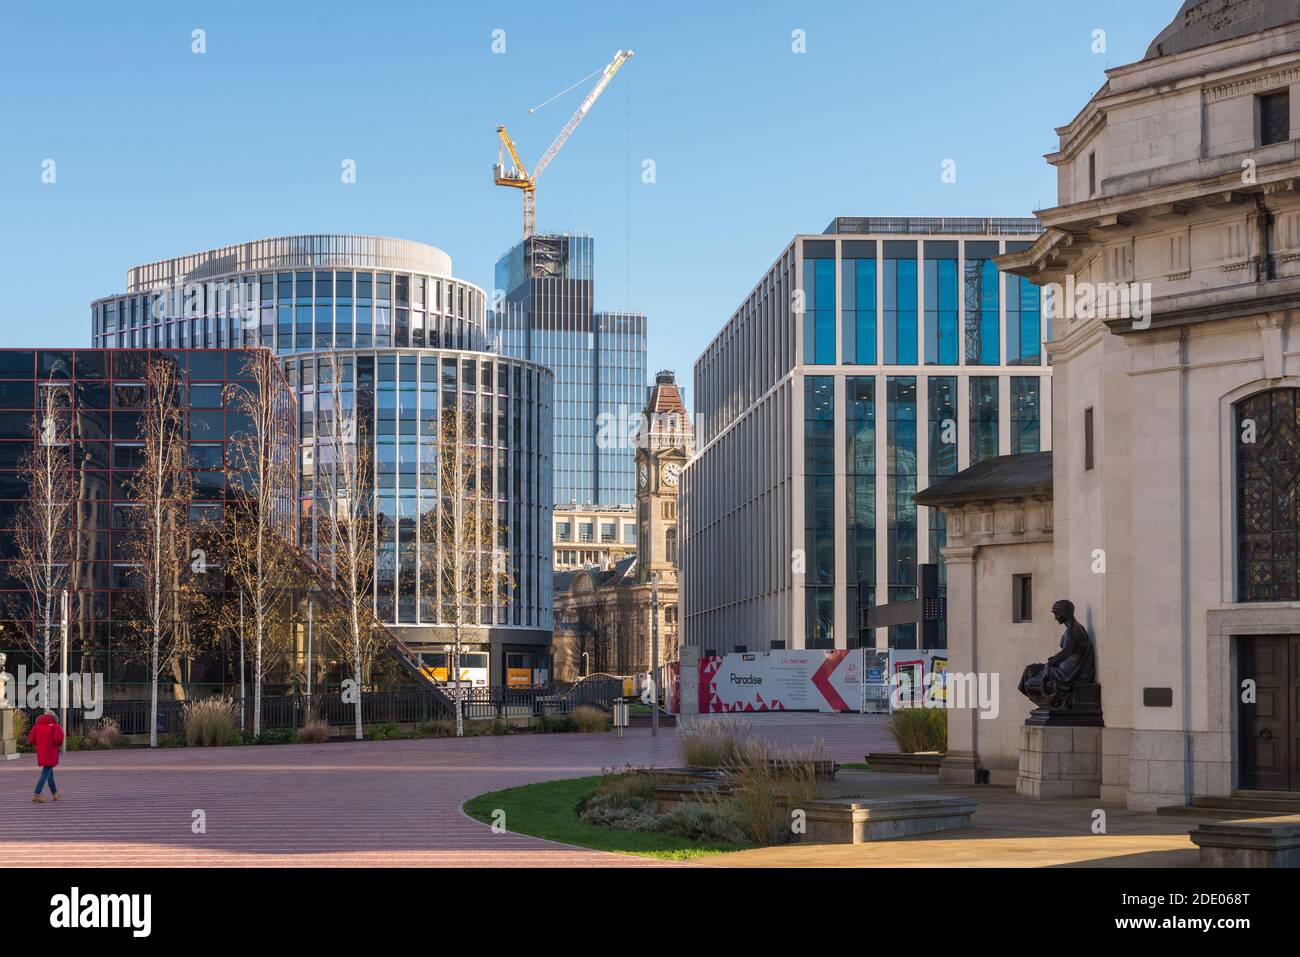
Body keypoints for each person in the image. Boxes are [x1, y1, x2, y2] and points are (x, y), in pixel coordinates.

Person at [27, 710, 64, 803]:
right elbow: (59, 739)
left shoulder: (37, 726)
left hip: (41, 751)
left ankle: (55, 793)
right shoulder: (55, 726)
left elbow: (31, 740)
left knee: (49, 771)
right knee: (46, 772)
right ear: (54, 717)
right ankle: (36, 794)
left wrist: (39, 743)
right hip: (51, 752)